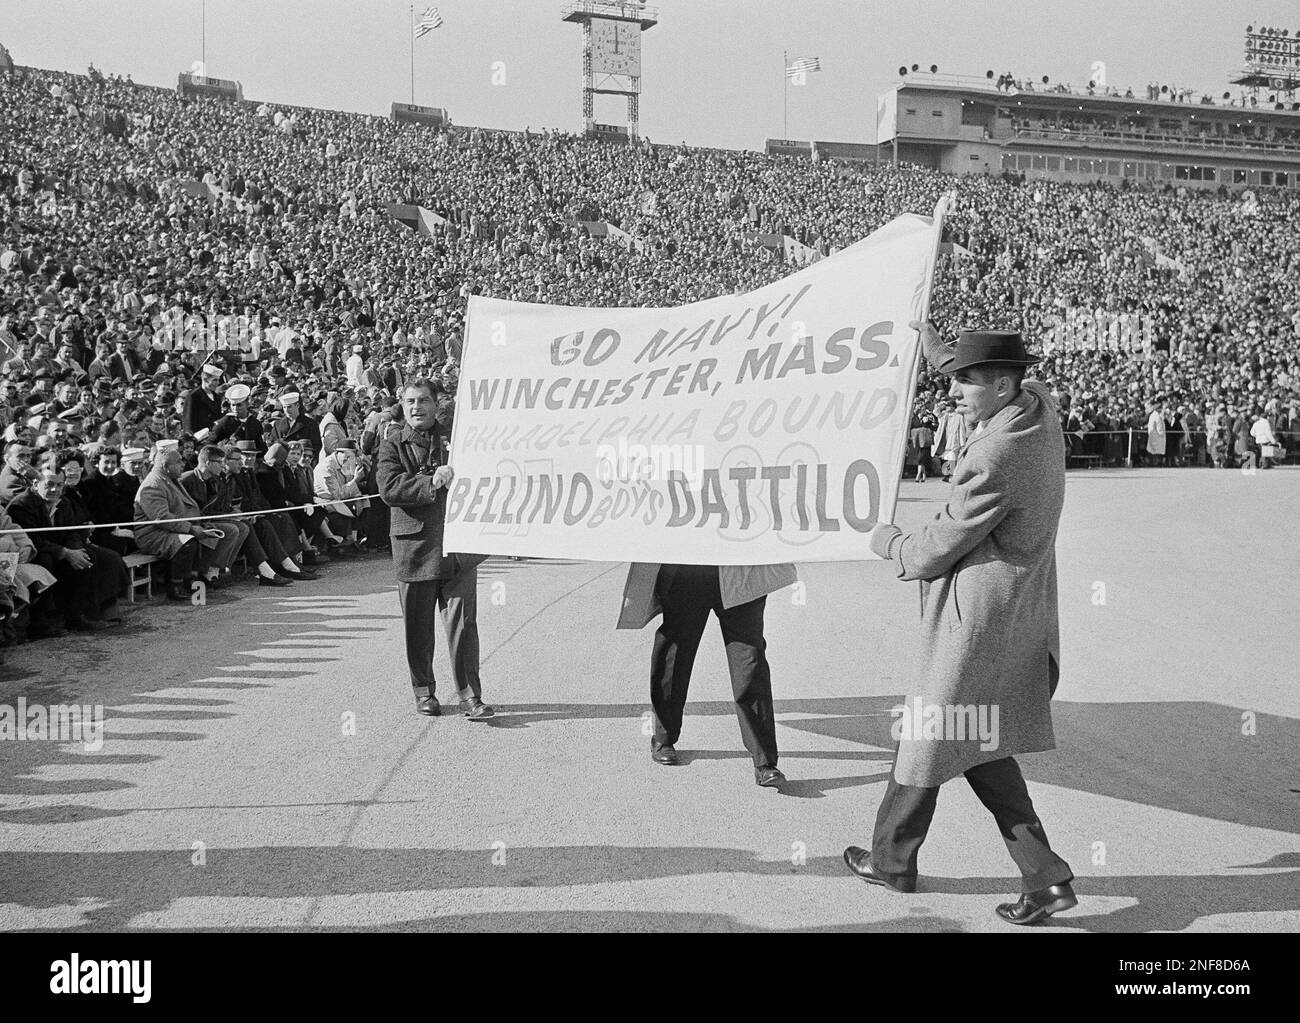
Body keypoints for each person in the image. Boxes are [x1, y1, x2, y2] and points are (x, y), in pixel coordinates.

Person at [845, 323, 1076, 926]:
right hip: (1014, 610)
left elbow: (935, 547)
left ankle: (897, 863)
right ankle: (1037, 880)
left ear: (1002, 385)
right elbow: (996, 374)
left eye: (965, 383)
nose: (954, 394)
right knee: (972, 738)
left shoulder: (998, 454)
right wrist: (941, 352)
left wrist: (887, 540)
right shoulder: (1037, 407)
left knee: (934, 730)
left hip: (978, 618)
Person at [617, 559, 793, 787]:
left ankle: (765, 761)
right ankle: (664, 737)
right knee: (675, 652)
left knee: (750, 660)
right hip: (686, 566)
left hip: (740, 568)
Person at [376, 377, 491, 720]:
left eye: (423, 401)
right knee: (418, 627)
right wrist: (431, 482)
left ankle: (470, 696)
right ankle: (424, 692)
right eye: (410, 402)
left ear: (436, 402)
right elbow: (389, 488)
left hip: (457, 549)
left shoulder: (458, 438)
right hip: (415, 549)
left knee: (463, 626)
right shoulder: (392, 443)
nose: (416, 408)